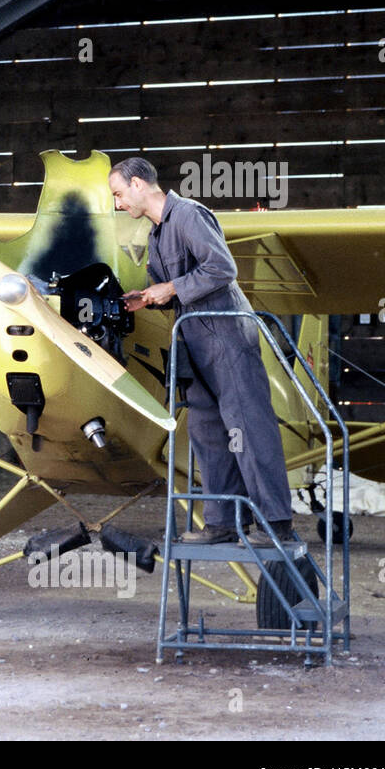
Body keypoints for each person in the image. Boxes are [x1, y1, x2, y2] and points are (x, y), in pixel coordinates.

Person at [109, 157, 295, 546]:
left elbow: (222, 269)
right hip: (193, 343)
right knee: (207, 433)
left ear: (139, 184)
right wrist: (145, 298)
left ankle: (276, 524)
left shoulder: (190, 215)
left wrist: (171, 288)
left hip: (226, 337)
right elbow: (170, 289)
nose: (118, 204)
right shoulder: (157, 235)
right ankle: (223, 522)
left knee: (248, 426)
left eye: (119, 194)